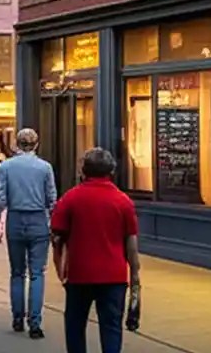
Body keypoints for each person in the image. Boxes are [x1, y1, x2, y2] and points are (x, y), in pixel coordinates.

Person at [51, 148, 139, 353]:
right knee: (111, 327)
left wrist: (60, 270)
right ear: (111, 171)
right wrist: (134, 275)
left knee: (75, 325)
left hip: (80, 274)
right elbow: (131, 242)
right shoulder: (123, 201)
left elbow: (57, 238)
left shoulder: (70, 198)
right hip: (114, 276)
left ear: (84, 170)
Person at [0, 128, 58, 340]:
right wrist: (53, 225)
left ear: (17, 145)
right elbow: (52, 198)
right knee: (37, 272)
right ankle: (36, 322)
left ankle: (17, 317)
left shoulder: (6, 167)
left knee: (17, 272)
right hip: (38, 219)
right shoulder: (44, 168)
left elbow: (1, 198)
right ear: (36, 144)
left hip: (15, 219)